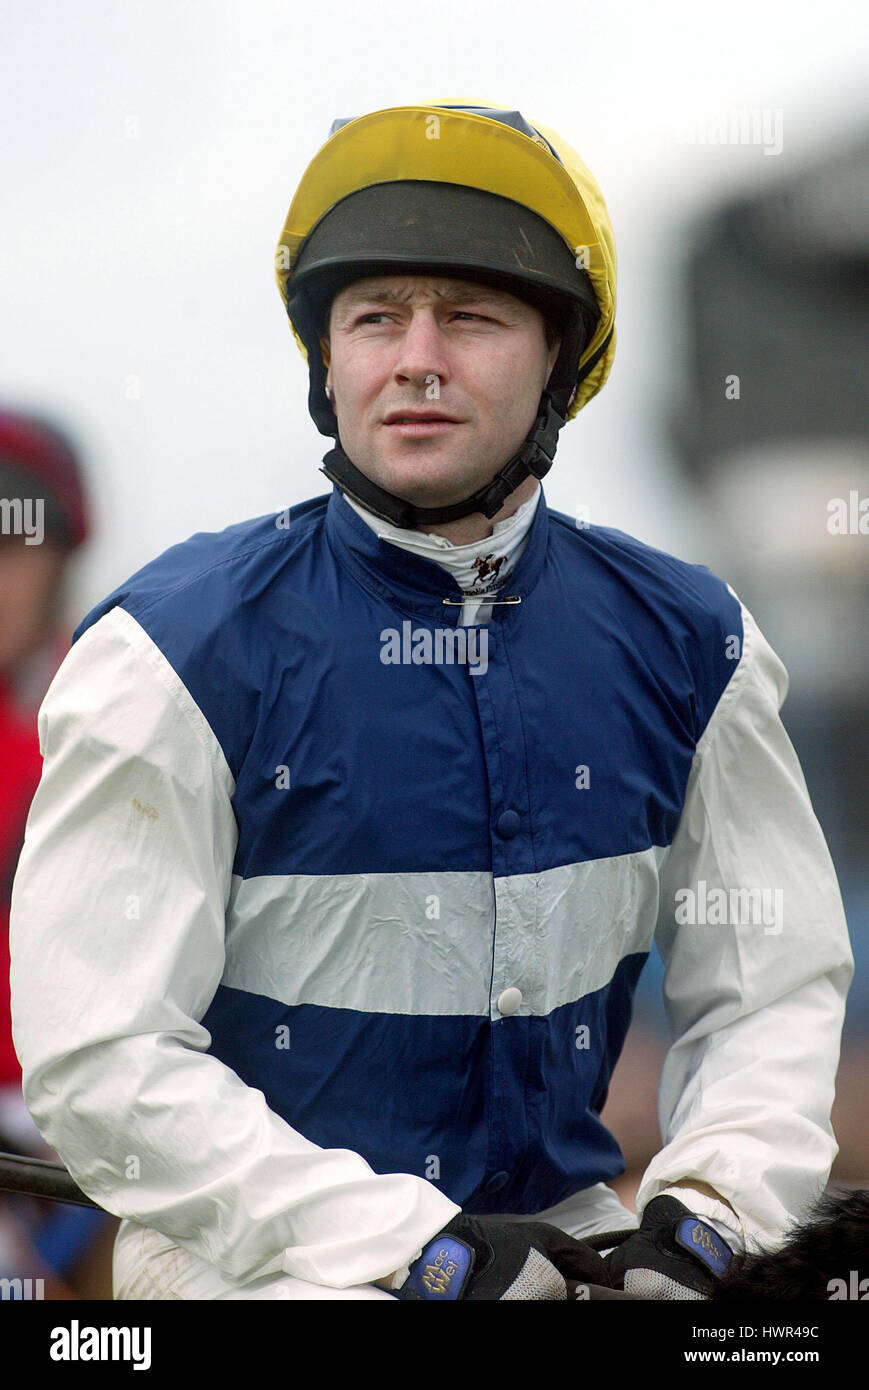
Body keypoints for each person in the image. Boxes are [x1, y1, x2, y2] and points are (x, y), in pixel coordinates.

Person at [9, 102, 853, 1301]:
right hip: (259, 1260)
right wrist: (407, 1246)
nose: (415, 357)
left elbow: (770, 984)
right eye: (373, 318)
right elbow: (103, 1056)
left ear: (557, 359)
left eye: (468, 318)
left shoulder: (694, 642)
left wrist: (713, 1210)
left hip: (571, 1240)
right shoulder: (172, 648)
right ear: (326, 362)